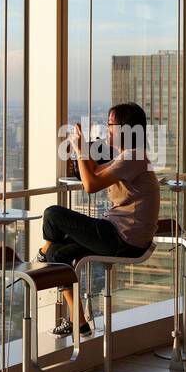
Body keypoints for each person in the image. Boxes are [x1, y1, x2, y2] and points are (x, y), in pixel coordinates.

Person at [38, 102, 161, 338]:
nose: (107, 129)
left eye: (110, 124)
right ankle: (79, 320)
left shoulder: (133, 158)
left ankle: (41, 253)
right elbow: (94, 171)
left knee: (53, 214)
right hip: (120, 234)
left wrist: (79, 148)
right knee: (59, 255)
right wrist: (82, 147)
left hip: (122, 237)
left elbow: (90, 185)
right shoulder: (128, 157)